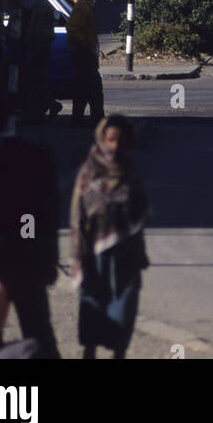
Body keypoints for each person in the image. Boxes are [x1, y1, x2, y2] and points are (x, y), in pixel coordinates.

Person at [0, 96, 61, 358]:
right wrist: (49, 259)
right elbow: (48, 212)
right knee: (38, 327)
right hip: (30, 257)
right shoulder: (37, 153)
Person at [70, 115, 149, 360]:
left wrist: (140, 249)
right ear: (102, 139)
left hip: (126, 252)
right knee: (93, 302)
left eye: (120, 140)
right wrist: (77, 253)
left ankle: (119, 352)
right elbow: (77, 213)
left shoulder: (129, 168)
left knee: (125, 305)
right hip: (94, 252)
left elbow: (139, 209)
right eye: (111, 139)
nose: (115, 145)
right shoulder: (90, 169)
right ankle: (89, 352)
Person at [21, 0, 62, 123]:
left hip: (40, 47)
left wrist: (32, 44)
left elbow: (39, 31)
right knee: (37, 80)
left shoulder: (42, 8)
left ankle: (44, 108)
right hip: (40, 47)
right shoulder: (40, 6)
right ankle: (47, 105)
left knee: (36, 80)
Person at [66, 0, 104, 127]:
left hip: (86, 52)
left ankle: (80, 118)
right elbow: (72, 28)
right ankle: (96, 118)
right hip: (83, 53)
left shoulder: (86, 5)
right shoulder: (83, 7)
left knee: (84, 88)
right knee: (93, 87)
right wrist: (85, 46)